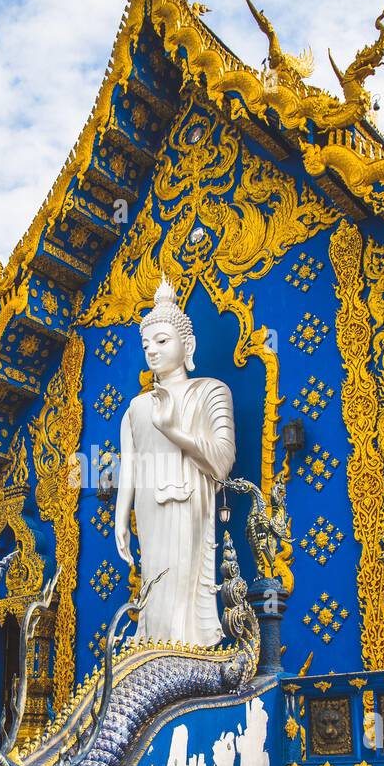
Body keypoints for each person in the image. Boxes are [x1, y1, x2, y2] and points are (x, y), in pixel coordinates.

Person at [114, 276, 235, 646]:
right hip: (149, 509)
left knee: (184, 583)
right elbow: (130, 468)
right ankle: (152, 646)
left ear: (188, 345)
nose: (152, 351)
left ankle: (187, 649)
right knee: (154, 579)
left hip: (188, 500)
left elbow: (222, 461)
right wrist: (122, 517)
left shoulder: (211, 391)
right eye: (146, 343)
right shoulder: (136, 407)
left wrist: (174, 430)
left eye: (162, 341)